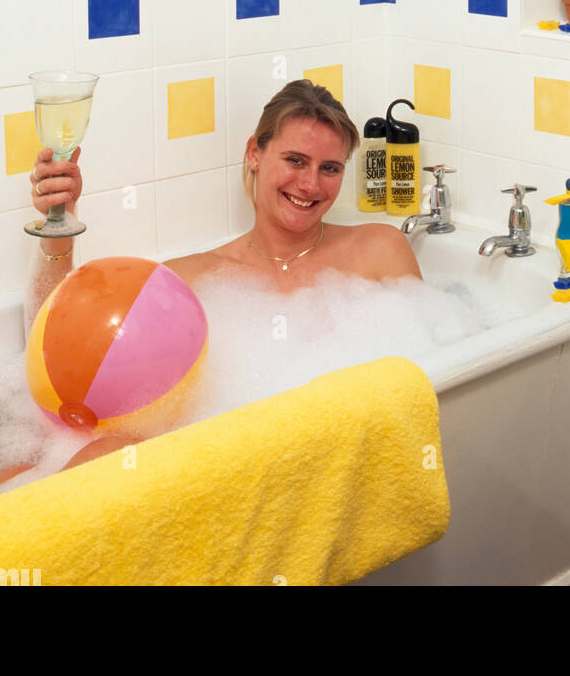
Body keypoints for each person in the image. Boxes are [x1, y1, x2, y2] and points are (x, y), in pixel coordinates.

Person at [25, 81, 422, 469]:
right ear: (254, 153)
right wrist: (59, 224)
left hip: (324, 463)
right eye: (296, 160)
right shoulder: (191, 281)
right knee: (90, 456)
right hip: (222, 465)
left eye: (330, 168)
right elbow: (60, 350)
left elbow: (426, 380)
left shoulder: (379, 250)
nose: (310, 184)